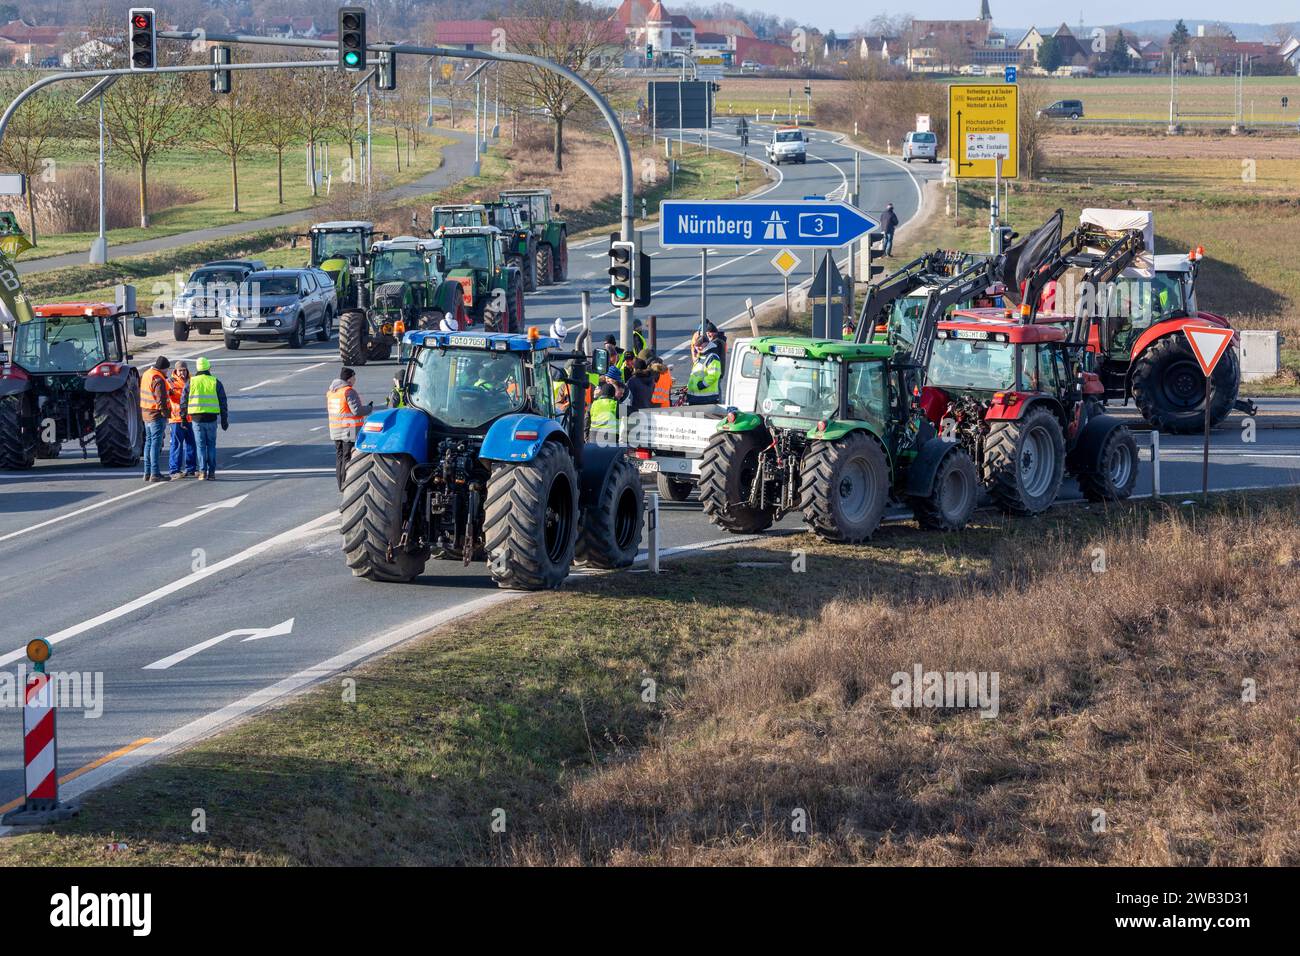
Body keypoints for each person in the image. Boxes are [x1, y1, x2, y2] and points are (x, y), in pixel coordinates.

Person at [180, 356, 228, 480]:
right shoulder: (215, 381)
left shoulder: (192, 382)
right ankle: (211, 473)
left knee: (200, 446)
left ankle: (202, 472)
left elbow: (183, 401)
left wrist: (183, 418)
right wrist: (224, 419)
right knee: (211, 445)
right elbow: (223, 402)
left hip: (197, 420)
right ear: (208, 367)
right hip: (211, 419)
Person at [327, 367, 372, 491]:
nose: (355, 379)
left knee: (339, 457)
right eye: (354, 377)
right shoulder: (348, 391)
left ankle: (340, 484)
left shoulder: (332, 391)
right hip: (349, 429)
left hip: (335, 429)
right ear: (349, 378)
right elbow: (356, 411)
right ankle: (346, 484)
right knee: (348, 457)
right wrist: (368, 408)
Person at [139, 356, 171, 483]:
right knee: (155, 445)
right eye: (166, 370)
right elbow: (161, 399)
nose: (167, 372)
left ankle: (147, 473)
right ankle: (155, 473)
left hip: (146, 414)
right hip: (156, 415)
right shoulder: (158, 379)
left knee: (148, 443)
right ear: (163, 368)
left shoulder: (147, 374)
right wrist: (166, 414)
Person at [166, 361, 197, 480]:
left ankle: (191, 469)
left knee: (191, 444)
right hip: (176, 418)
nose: (182, 373)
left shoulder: (192, 380)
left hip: (190, 418)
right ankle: (174, 470)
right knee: (176, 444)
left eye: (184, 370)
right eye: (180, 370)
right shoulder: (170, 382)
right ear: (176, 371)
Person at [687, 340, 723, 405]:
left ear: (707, 344)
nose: (698, 348)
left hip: (706, 398)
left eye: (700, 346)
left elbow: (713, 375)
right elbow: (696, 375)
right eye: (696, 346)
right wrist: (689, 387)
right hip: (696, 397)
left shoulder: (712, 357)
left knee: (701, 415)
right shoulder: (701, 357)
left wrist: (702, 385)